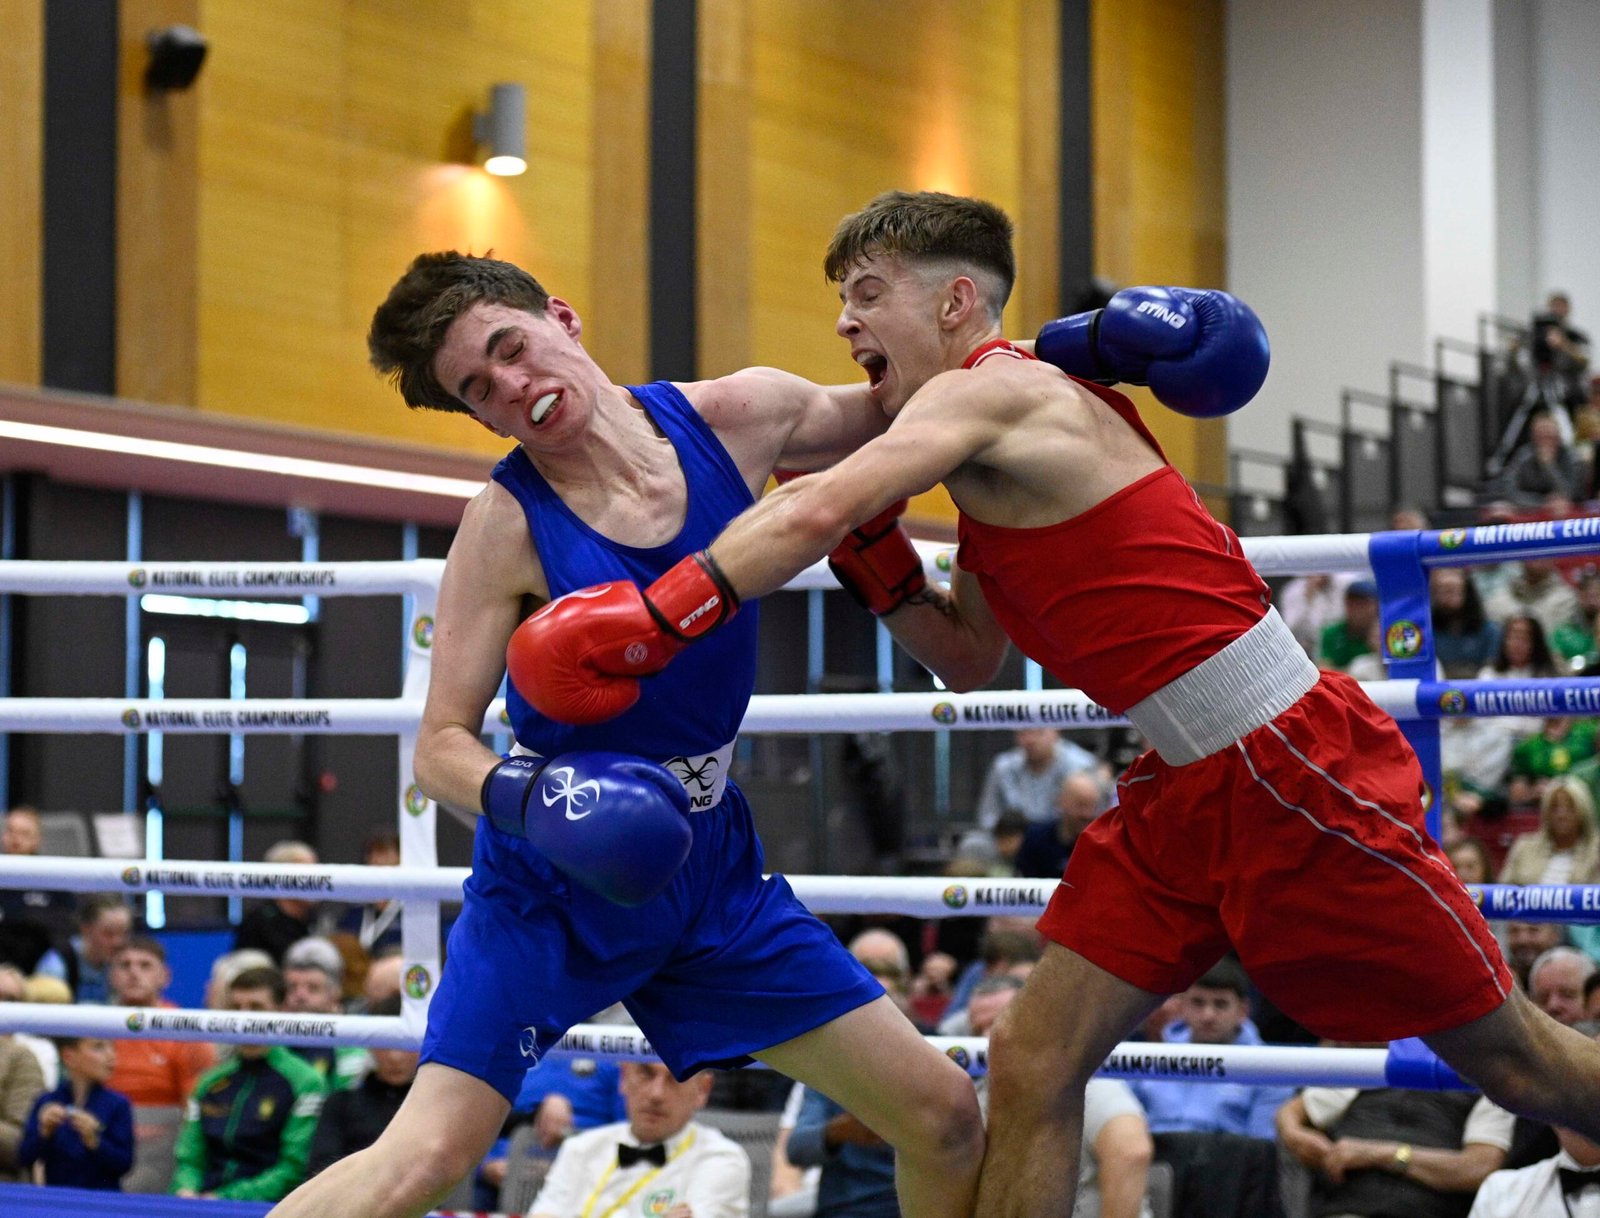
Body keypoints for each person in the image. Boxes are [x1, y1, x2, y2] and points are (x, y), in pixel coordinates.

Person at [520, 189, 1600, 1217]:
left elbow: (812, 502)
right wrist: (880, 561)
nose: (843, 320)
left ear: (953, 301)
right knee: (1033, 1062)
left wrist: (654, 618)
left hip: (1289, 760)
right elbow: (969, 655)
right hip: (1179, 788)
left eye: (865, 290)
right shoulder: (984, 465)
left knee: (1518, 1062)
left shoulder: (998, 388)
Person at [262, 248, 1030, 1218]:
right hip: (552, 880)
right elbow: (440, 747)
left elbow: (927, 407)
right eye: (480, 389)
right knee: (426, 1159)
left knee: (943, 1114)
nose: (513, 387)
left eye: (511, 348)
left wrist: (1057, 352)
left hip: (709, 873)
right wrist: (539, 803)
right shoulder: (503, 524)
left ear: (563, 317)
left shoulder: (739, 416)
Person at [172, 966, 328, 1201]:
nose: (244, 1018)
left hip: (267, 1208)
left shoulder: (306, 1082)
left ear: (281, 1010)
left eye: (256, 1007)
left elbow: (293, 1169)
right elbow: (189, 1159)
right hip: (198, 1204)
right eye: (236, 1008)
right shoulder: (208, 1082)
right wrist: (186, 1191)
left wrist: (223, 1199)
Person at [529, 1062, 749, 1218]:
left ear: (703, 1089)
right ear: (624, 1077)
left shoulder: (722, 1160)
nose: (656, 1094)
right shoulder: (581, 1148)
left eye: (676, 1078)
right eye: (646, 1073)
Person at [1276, 1083, 1511, 1218]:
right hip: (1346, 1209)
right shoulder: (1377, 1063)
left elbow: (1478, 1167)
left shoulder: (1487, 1082)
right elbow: (1290, 1114)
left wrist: (1379, 1154)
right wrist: (1295, 1135)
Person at [307, 996, 416, 1177]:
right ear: (370, 1045)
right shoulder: (340, 1104)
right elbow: (318, 1172)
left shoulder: (437, 1108)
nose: (395, 1057)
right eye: (387, 1043)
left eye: (406, 1044)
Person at [18, 1036, 133, 1189]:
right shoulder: (46, 1101)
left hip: (102, 1204)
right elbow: (24, 1157)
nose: (111, 1055)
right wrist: (44, 1132)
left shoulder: (118, 1105)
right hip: (57, 1202)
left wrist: (95, 1141)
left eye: (112, 1047)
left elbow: (125, 1164)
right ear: (69, 1057)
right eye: (98, 1047)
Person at [976, 728, 1102, 827]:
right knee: (974, 844)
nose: (1030, 740)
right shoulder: (1003, 766)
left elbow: (1094, 817)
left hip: (1063, 841)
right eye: (1023, 732)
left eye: (1038, 732)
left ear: (1055, 731)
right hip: (1014, 841)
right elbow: (987, 817)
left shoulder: (1082, 765)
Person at [234, 841, 322, 964]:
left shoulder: (315, 920)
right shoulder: (258, 923)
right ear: (281, 878)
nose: (315, 882)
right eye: (307, 875)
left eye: (318, 873)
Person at [1013, 772, 1108, 879]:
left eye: (1092, 807)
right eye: (1080, 805)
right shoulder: (1035, 838)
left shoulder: (1104, 844)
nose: (1086, 814)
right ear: (1061, 802)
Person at [55, 895, 131, 1004]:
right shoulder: (58, 963)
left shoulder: (130, 962)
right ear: (85, 929)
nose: (118, 942)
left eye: (124, 933)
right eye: (109, 933)